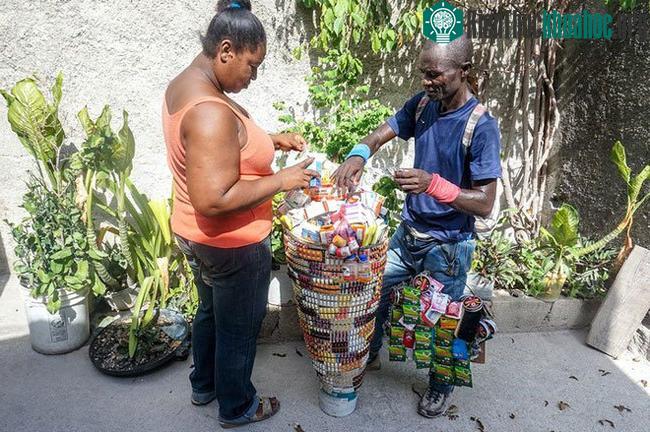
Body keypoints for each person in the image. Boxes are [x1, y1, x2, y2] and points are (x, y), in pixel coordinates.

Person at [163, 1, 318, 428]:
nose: (252, 77)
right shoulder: (212, 112)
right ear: (226, 50)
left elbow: (217, 147)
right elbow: (214, 198)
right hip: (231, 243)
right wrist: (281, 180)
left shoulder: (188, 83)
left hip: (197, 237)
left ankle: (203, 385)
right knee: (238, 327)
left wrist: (269, 140)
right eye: (252, 66)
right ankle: (237, 406)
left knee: (211, 310)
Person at [333, 35, 502, 418]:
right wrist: (359, 154)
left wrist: (433, 185)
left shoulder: (481, 126)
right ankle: (370, 354)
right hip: (408, 235)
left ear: (464, 71)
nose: (427, 81)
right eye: (423, 74)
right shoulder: (425, 104)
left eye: (435, 74)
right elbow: (382, 132)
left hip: (448, 248)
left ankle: (441, 388)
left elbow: (486, 204)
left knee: (445, 321)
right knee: (371, 290)